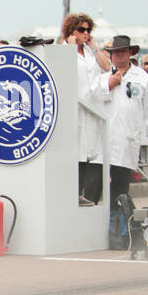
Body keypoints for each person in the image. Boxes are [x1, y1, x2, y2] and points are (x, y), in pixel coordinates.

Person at [93, 35, 148, 210]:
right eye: (115, 52)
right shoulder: (102, 77)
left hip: (127, 139)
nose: (119, 56)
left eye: (122, 52)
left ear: (130, 53)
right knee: (95, 188)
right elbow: (92, 99)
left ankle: (119, 228)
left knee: (120, 189)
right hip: (102, 141)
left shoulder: (141, 77)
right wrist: (109, 84)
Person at [59, 13, 108, 204]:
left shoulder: (90, 52)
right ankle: (73, 196)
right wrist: (71, 47)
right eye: (81, 30)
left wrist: (94, 47)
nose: (86, 33)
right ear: (71, 31)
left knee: (94, 155)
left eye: (88, 30)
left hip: (93, 110)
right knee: (75, 155)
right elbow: (63, 70)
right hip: (74, 110)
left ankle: (91, 198)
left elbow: (106, 66)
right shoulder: (63, 50)